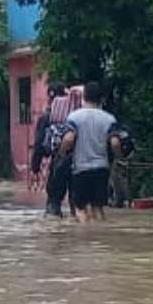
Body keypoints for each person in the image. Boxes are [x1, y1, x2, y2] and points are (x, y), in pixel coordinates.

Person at [59, 80, 121, 222]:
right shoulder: (109, 119)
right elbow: (115, 143)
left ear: (84, 97)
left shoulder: (74, 117)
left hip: (81, 169)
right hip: (102, 169)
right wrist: (118, 158)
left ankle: (86, 240)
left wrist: (62, 153)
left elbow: (68, 139)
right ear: (101, 98)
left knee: (80, 209)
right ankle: (100, 238)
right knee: (98, 208)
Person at [42, 86, 81, 218]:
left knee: (54, 201)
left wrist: (36, 164)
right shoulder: (83, 119)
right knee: (77, 204)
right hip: (80, 165)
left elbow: (40, 142)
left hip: (60, 162)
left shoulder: (49, 117)